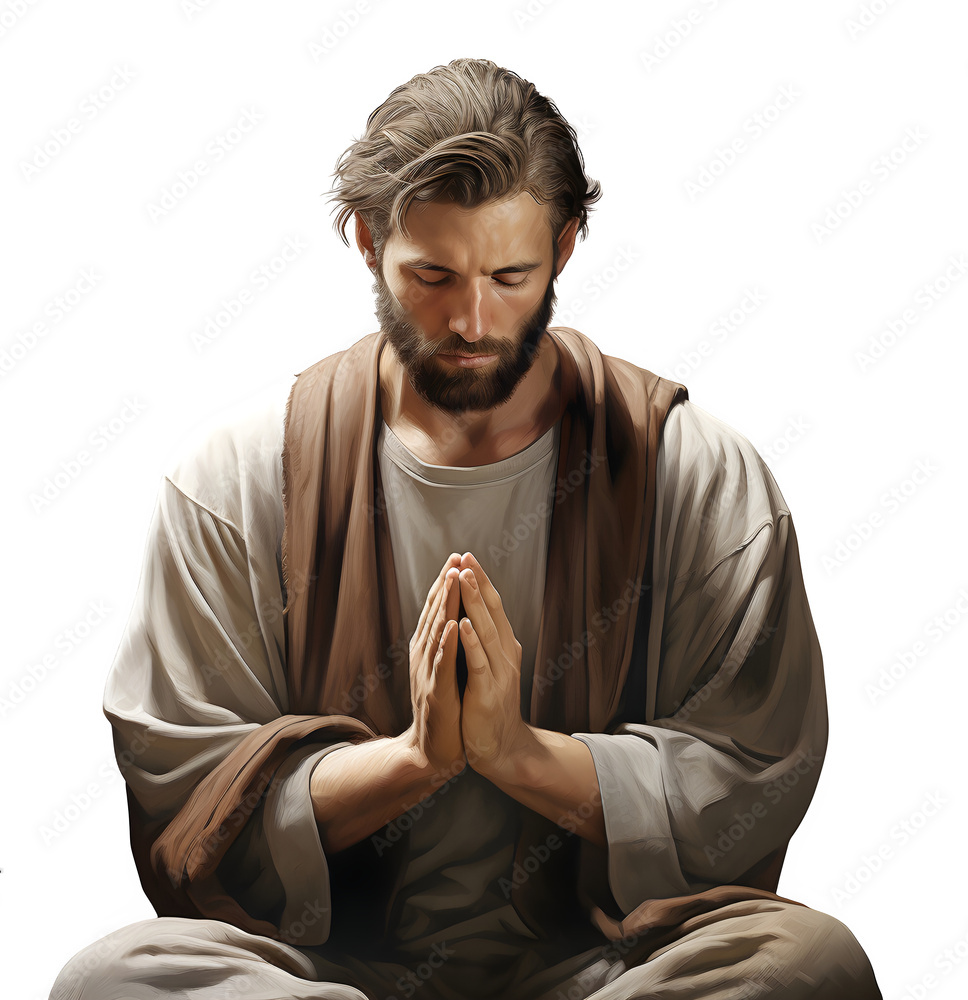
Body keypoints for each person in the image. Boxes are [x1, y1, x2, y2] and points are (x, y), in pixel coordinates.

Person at [49, 58, 883, 999]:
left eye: (512, 274)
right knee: (115, 979)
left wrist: (518, 755)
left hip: (609, 967)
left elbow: (754, 767)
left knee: (811, 967)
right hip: (333, 973)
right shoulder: (239, 480)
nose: (473, 319)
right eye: (433, 276)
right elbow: (185, 787)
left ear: (565, 248)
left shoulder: (693, 474)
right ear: (365, 242)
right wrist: (414, 762)